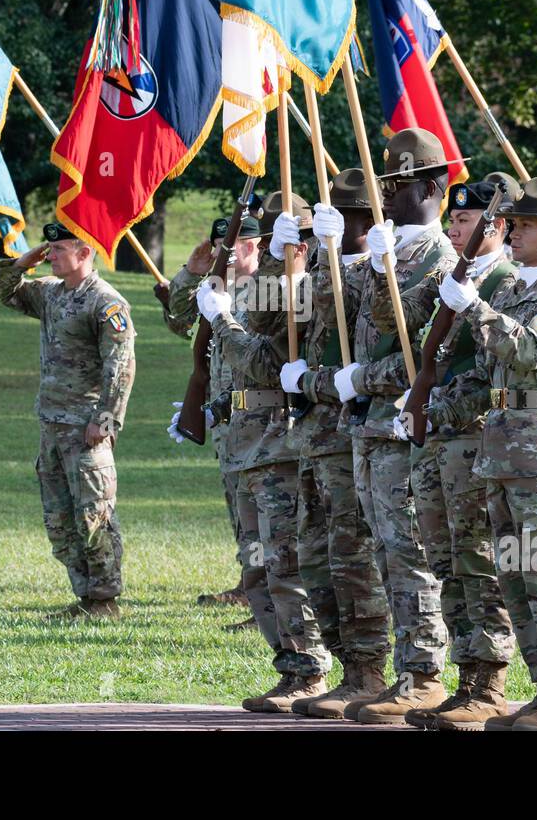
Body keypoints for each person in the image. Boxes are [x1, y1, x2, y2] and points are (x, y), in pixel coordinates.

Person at [438, 177, 537, 730]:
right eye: (513, 223)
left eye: (526, 225)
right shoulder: (510, 293)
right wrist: (426, 410)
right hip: (502, 450)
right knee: (515, 578)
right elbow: (486, 379)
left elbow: (529, 349)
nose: (513, 232)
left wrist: (475, 310)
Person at [330, 128, 457, 724]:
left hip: (406, 425)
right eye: (387, 186)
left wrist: (362, 379)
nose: (389, 197)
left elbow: (415, 345)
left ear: (434, 187)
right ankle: (403, 668)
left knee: (411, 551)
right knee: (384, 550)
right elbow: (337, 308)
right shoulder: (391, 248)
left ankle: (425, 673)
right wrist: (333, 253)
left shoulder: (441, 260)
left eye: (401, 186)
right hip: (370, 427)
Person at [200, 193, 333, 710]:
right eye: (280, 243)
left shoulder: (309, 293)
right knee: (255, 565)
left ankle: (311, 667)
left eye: (292, 242)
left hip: (280, 445)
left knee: (285, 563)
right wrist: (213, 409)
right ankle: (289, 664)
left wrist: (224, 321)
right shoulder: (267, 290)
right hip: (242, 446)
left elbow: (261, 360)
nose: (287, 252)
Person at [400, 175, 521, 731]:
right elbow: (419, 342)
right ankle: (464, 675)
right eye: (453, 220)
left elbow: (488, 369)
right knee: (445, 559)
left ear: (496, 226)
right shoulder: (456, 278)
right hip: (438, 442)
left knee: (478, 558)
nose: (455, 227)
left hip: (473, 435)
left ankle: (490, 680)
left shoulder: (504, 283)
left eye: (467, 221)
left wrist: (436, 405)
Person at [280, 169, 392, 717]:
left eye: (349, 218)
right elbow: (288, 318)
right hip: (316, 437)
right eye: (338, 218)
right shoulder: (328, 268)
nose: (343, 227)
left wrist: (325, 262)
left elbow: (350, 318)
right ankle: (347, 666)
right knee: (315, 555)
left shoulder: (377, 272)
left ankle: (369, 669)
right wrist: (295, 263)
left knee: (353, 554)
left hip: (353, 431)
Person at [0, 222, 135, 619]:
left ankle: (105, 599)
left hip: (86, 428)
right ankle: (85, 597)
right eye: (49, 249)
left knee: (93, 516)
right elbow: (5, 291)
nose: (50, 255)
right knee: (59, 519)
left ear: (85, 252)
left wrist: (104, 420)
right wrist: (24, 260)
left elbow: (120, 367)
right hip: (52, 423)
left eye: (58, 249)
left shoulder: (105, 302)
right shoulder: (50, 294)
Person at [165, 214, 264, 615]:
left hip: (262, 418)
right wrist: (192, 272)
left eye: (233, 244)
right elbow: (177, 318)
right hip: (225, 418)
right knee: (238, 505)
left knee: (266, 511)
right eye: (219, 244)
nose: (224, 250)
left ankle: (269, 597)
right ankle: (250, 585)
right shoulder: (215, 288)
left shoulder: (268, 292)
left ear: (253, 246)